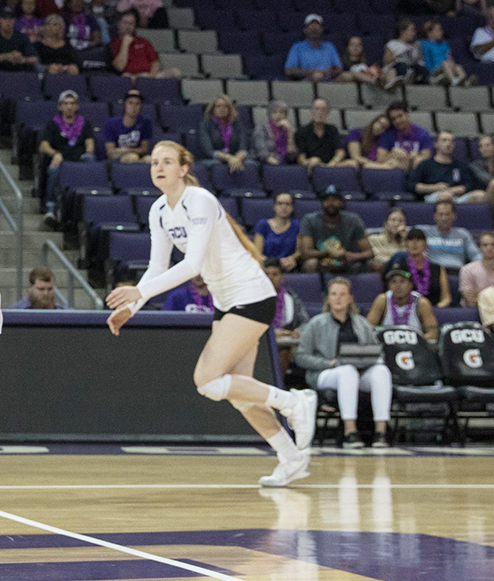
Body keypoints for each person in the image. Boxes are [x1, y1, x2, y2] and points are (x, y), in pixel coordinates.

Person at [107, 141, 316, 476]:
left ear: (184, 168)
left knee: (207, 380)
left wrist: (139, 291)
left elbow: (191, 266)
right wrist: (134, 305)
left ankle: (295, 402)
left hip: (252, 295)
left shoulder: (199, 200)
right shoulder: (159, 210)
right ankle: (292, 458)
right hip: (227, 302)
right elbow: (157, 268)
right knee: (240, 393)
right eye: (154, 162)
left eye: (167, 161)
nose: (158, 167)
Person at [296, 276, 392, 447]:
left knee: (381, 371)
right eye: (333, 294)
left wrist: (372, 361)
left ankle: (381, 432)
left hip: (359, 371)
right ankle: (350, 432)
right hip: (326, 373)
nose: (338, 298)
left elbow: (377, 352)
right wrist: (330, 363)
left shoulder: (361, 323)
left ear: (350, 299)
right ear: (328, 299)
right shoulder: (316, 323)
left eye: (342, 294)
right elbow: (301, 356)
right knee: (347, 371)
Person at [38, 89, 97, 228]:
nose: (69, 106)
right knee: (54, 168)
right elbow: (43, 145)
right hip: (61, 160)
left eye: (72, 103)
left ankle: (90, 202)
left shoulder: (85, 124)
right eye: (65, 103)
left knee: (91, 161)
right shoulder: (53, 125)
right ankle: (50, 210)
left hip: (78, 159)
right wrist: (55, 153)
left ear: (77, 106)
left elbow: (90, 146)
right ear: (60, 106)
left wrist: (87, 153)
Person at [296, 185, 370, 274]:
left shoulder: (354, 220)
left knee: (374, 265)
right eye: (327, 200)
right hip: (321, 262)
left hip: (346, 262)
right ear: (321, 203)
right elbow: (306, 252)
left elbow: (369, 252)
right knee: (310, 264)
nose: (331, 203)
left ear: (341, 203)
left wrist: (352, 256)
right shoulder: (309, 220)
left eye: (334, 200)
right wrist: (328, 253)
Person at [405, 131, 486, 204]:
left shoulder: (460, 165)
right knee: (446, 196)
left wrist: (452, 190)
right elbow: (412, 185)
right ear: (436, 144)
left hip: (456, 196)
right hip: (433, 197)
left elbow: (468, 185)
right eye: (444, 140)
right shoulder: (425, 165)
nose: (448, 144)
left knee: (481, 196)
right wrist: (434, 188)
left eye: (451, 141)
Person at [366, 264, 439, 343]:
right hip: (387, 347)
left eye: (402, 281)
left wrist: (415, 341)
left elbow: (433, 333)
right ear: (389, 286)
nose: (398, 286)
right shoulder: (382, 300)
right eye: (393, 282)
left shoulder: (421, 303)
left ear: (410, 285)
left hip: (415, 348)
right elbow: (368, 330)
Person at [391, 227, 453, 307]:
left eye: (419, 239)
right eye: (411, 239)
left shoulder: (437, 268)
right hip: (408, 311)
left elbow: (446, 298)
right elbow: (395, 296)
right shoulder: (400, 269)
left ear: (425, 245)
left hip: (434, 310)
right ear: (406, 245)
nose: (414, 243)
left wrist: (435, 309)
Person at [107, 10, 174, 79]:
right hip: (128, 78)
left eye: (131, 24)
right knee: (127, 76)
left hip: (148, 76)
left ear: (135, 26)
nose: (127, 27)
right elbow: (119, 67)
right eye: (125, 23)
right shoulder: (113, 44)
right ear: (119, 24)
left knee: (175, 72)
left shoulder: (144, 42)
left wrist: (151, 76)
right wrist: (125, 44)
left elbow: (155, 63)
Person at [193, 95, 249, 172]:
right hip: (213, 158)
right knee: (218, 166)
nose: (222, 109)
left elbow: (243, 146)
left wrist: (237, 159)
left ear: (229, 109)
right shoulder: (205, 125)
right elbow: (208, 150)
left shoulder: (237, 124)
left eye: (225, 106)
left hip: (235, 158)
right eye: (218, 106)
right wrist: (229, 158)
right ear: (213, 109)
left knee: (250, 164)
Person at [101, 89, 154, 163]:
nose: (134, 107)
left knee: (150, 159)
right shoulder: (111, 123)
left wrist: (128, 150)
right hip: (118, 158)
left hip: (136, 155)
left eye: (137, 104)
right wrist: (122, 152)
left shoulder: (145, 122)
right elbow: (110, 151)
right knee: (132, 157)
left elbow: (144, 149)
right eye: (130, 103)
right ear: (125, 105)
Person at [283, 14, 340, 81]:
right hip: (306, 83)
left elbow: (338, 68)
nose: (314, 29)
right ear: (305, 30)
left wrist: (328, 73)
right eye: (311, 26)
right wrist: (313, 73)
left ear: (321, 29)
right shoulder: (297, 47)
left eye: (317, 26)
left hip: (329, 83)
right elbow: (289, 70)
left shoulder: (329, 46)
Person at [252, 192, 300, 266]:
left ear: (292, 208)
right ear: (274, 206)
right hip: (266, 265)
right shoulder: (262, 225)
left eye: (287, 204)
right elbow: (257, 253)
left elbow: (299, 251)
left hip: (288, 265)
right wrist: (273, 263)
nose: (284, 207)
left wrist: (291, 258)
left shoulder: (297, 225)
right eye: (280, 204)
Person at [294, 97, 343, 168]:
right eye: (316, 109)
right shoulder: (302, 131)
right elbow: (301, 157)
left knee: (352, 163)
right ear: (311, 111)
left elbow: (340, 151)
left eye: (323, 109)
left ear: (327, 112)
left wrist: (332, 163)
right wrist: (310, 162)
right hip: (311, 166)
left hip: (330, 165)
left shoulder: (333, 129)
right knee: (315, 161)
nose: (320, 112)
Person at [250, 100, 296, 166]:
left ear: (285, 115)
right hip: (267, 162)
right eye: (274, 112)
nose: (278, 115)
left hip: (285, 161)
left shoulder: (289, 129)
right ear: (270, 114)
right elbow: (261, 152)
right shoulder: (262, 128)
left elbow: (292, 154)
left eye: (281, 112)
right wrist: (277, 164)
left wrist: (289, 132)